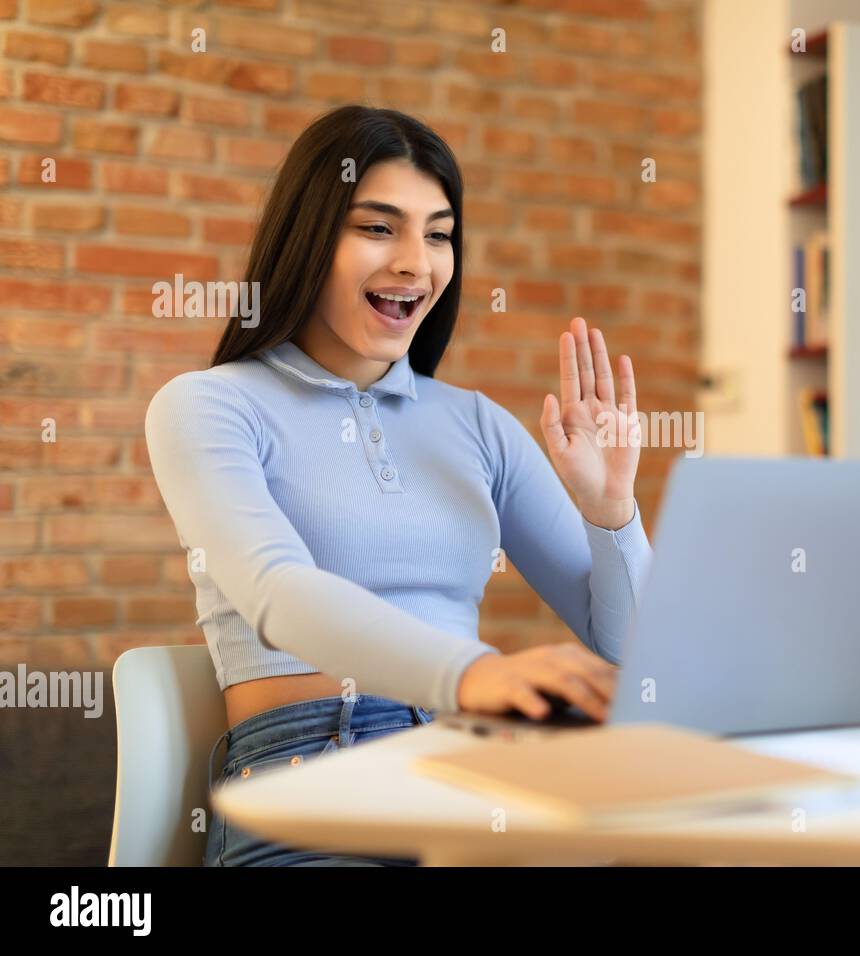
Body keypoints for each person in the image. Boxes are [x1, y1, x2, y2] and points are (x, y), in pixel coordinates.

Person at [143, 105, 653, 866]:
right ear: (308, 237)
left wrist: (612, 512)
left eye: (439, 233)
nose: (418, 262)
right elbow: (279, 593)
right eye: (378, 228)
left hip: (479, 760)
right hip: (311, 773)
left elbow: (632, 649)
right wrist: (475, 671)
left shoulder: (477, 425)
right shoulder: (207, 406)